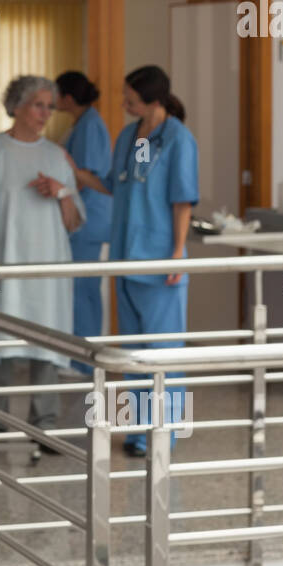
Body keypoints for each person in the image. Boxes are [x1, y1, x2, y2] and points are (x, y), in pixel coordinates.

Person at [0, 75, 87, 464]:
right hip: (2, 264)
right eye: (38, 105)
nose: (45, 113)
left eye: (50, 106)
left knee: (46, 345)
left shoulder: (56, 158)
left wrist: (60, 192)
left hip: (47, 267)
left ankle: (46, 426)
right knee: (0, 344)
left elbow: (75, 221)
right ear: (18, 107)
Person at [69, 65, 198, 457]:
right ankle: (138, 432)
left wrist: (177, 253)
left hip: (160, 263)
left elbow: (182, 200)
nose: (123, 103)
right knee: (133, 356)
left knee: (163, 356)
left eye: (130, 98)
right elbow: (114, 184)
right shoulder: (129, 136)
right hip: (125, 261)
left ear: (153, 99)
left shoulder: (177, 139)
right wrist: (73, 174)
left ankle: (165, 433)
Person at [55, 71, 112, 362]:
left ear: (66, 97)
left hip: (89, 218)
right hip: (86, 216)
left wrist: (62, 195)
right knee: (82, 287)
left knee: (82, 288)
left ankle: (84, 362)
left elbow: (84, 174)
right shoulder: (83, 122)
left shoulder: (90, 125)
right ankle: (85, 358)